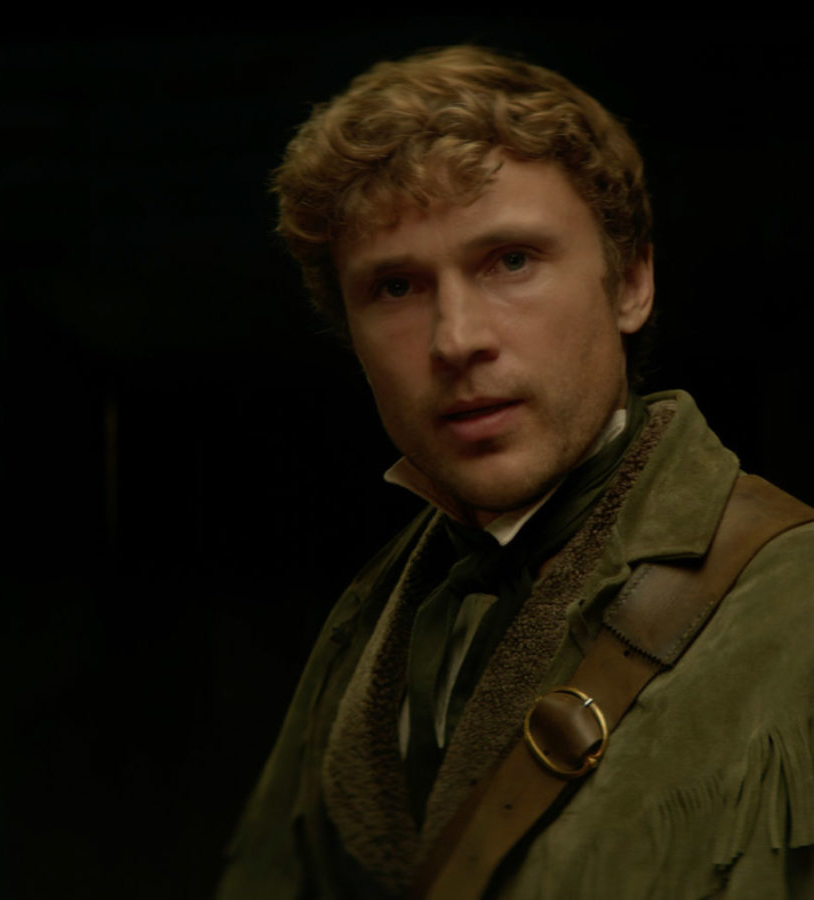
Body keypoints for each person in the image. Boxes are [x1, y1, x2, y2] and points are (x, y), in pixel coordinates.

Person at [216, 46, 814, 898]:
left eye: (512, 261)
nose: (456, 339)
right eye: (396, 287)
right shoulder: (366, 625)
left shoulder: (798, 611)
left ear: (630, 282)